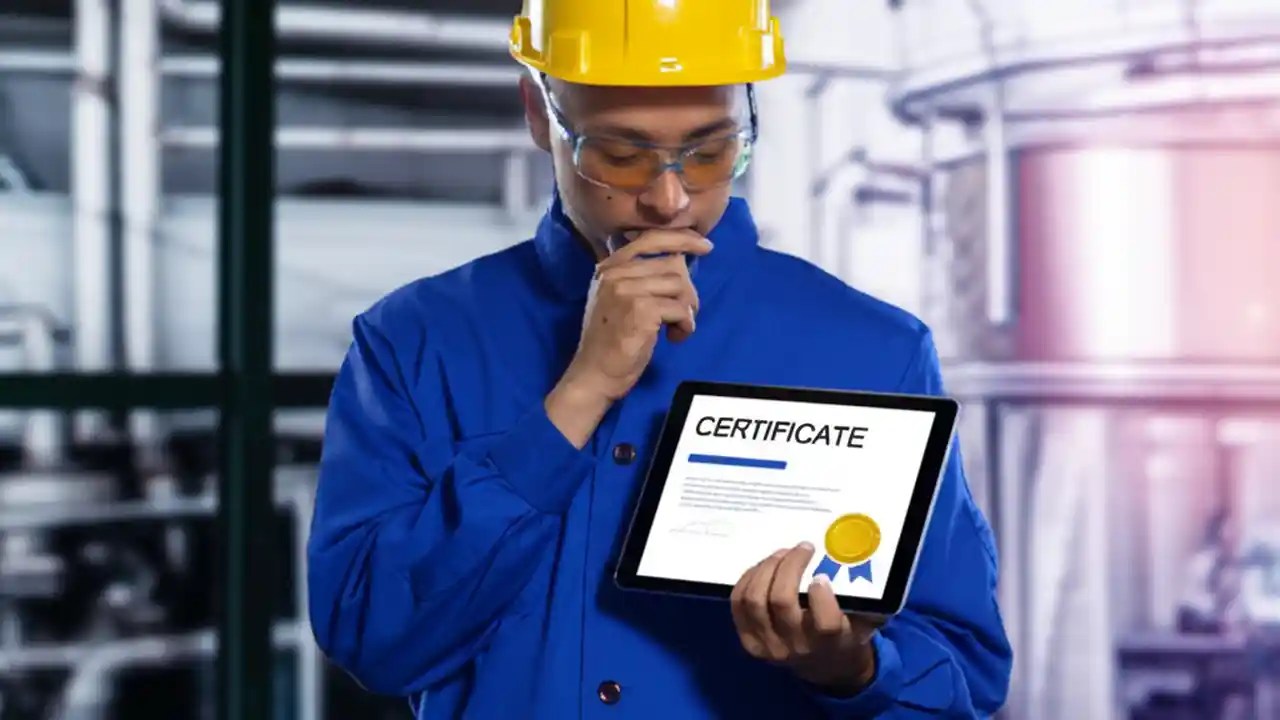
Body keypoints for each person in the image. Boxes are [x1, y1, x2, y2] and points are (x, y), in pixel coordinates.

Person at [305, 1, 1012, 717]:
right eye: (621, 155)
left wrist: (850, 669)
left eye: (709, 153)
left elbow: (965, 680)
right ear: (537, 113)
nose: (670, 200)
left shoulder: (874, 352)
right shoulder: (416, 340)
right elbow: (371, 639)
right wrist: (578, 395)